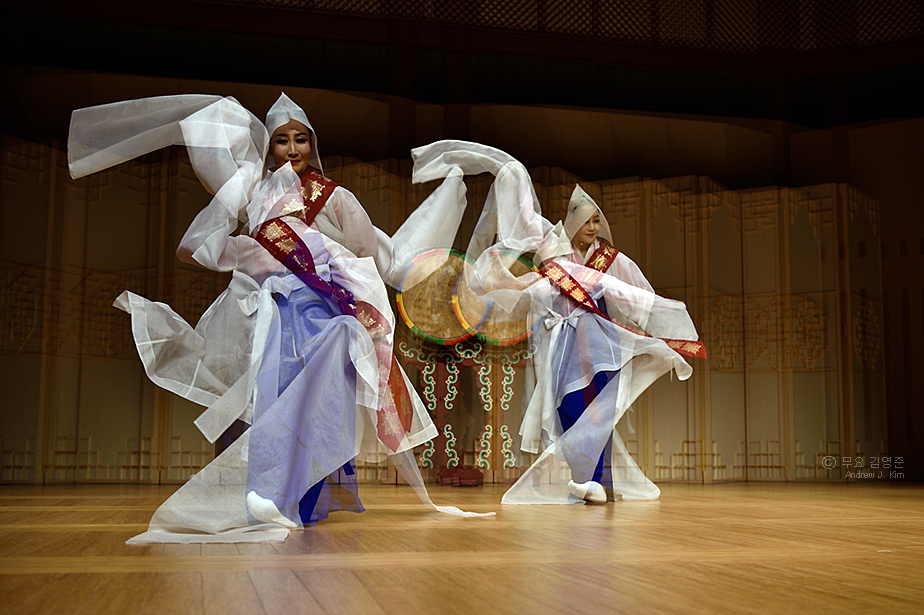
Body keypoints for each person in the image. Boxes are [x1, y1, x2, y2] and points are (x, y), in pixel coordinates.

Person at [68, 94, 488, 543]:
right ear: (269, 147)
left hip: (321, 309)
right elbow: (203, 246)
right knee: (274, 403)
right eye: (282, 140)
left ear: (312, 144)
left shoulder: (334, 197)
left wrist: (329, 256)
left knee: (320, 402)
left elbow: (367, 251)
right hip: (271, 314)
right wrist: (249, 246)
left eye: (300, 139)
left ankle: (289, 499)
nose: (292, 148)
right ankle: (268, 497)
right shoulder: (255, 193)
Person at [409, 140, 704, 505]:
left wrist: (651, 327)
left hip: (601, 344)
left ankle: (599, 482)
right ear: (573, 222)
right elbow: (529, 236)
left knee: (600, 414)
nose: (593, 227)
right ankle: (585, 479)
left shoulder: (610, 259)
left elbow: (635, 294)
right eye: (587, 220)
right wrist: (511, 175)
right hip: (563, 347)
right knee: (570, 411)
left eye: (597, 220)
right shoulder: (555, 252)